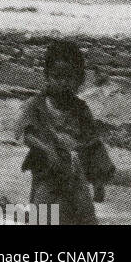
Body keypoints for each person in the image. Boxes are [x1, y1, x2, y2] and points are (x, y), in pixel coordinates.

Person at [17, 41, 115, 224]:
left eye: (69, 77)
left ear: (79, 79)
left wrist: (98, 181)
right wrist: (47, 149)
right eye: (57, 76)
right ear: (47, 75)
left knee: (82, 218)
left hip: (75, 176)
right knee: (43, 217)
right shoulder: (37, 105)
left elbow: (93, 143)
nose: (63, 82)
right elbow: (28, 135)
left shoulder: (81, 109)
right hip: (47, 174)